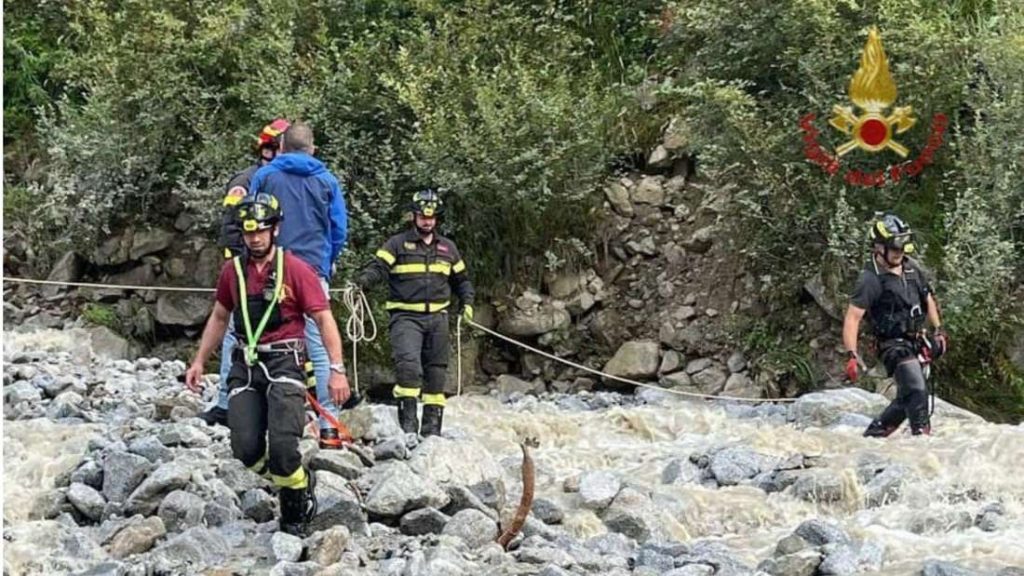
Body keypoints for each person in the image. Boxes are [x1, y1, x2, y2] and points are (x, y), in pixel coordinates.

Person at [185, 194, 351, 536]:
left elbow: (323, 319)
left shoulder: (296, 269)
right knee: (244, 448)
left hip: (286, 363)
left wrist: (336, 370)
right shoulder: (233, 272)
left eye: (262, 231)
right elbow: (220, 316)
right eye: (249, 233)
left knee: (284, 447)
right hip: (246, 364)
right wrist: (199, 361)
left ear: (275, 229)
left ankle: (294, 510)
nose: (255, 239)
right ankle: (292, 481)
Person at [248, 122, 350, 448]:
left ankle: (264, 422)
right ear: (312, 148)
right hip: (312, 270)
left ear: (281, 147)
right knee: (319, 348)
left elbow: (252, 218)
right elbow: (338, 230)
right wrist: (326, 262)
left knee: (266, 342)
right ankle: (329, 427)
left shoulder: (265, 177)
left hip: (271, 268)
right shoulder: (327, 180)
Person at [355, 190, 475, 437]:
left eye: (431, 218)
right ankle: (408, 432)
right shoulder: (397, 244)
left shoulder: (448, 248)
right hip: (406, 318)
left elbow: (462, 281)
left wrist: (468, 303)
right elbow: (378, 268)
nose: (427, 221)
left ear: (437, 219)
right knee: (409, 369)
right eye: (422, 217)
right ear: (414, 216)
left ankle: (432, 434)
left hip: (438, 319)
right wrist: (363, 282)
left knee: (436, 375)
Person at [202, 118, 291, 427]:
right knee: (234, 333)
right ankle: (227, 402)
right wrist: (239, 265)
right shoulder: (248, 179)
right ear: (273, 148)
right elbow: (231, 224)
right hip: (248, 270)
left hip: (279, 268)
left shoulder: (280, 178)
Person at [842, 213, 948, 437]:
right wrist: (852, 355)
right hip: (891, 344)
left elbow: (927, 298)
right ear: (879, 248)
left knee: (907, 396)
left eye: (902, 248)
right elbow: (853, 318)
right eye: (894, 248)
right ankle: (923, 439)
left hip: (916, 339)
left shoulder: (912, 269)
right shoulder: (870, 279)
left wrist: (938, 331)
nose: (899, 253)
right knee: (917, 390)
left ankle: (874, 435)